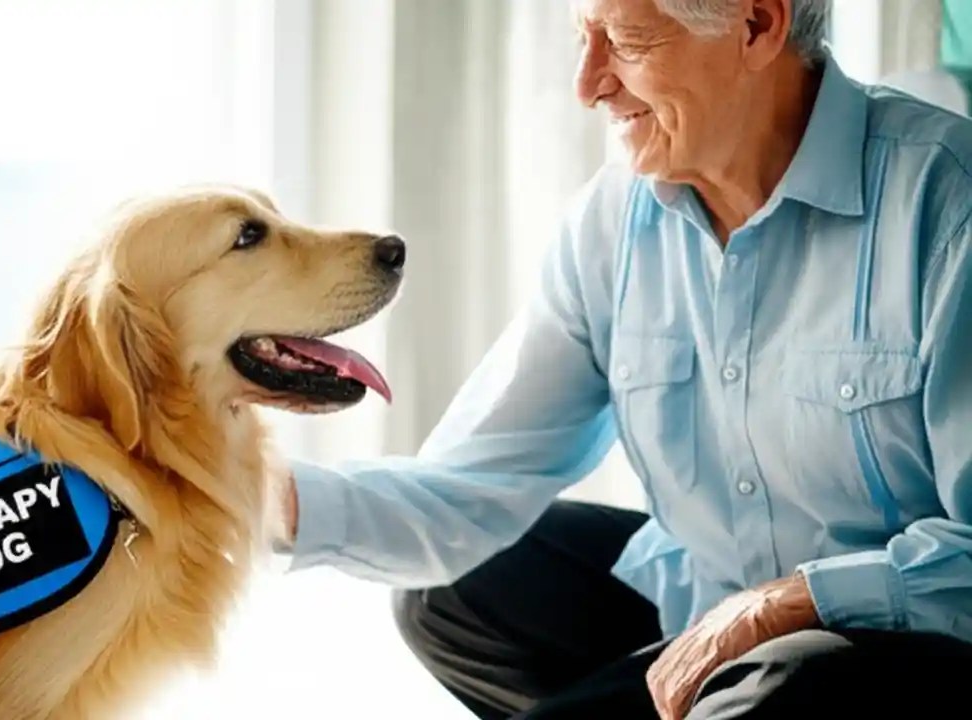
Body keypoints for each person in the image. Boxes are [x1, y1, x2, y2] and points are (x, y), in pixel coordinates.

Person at [276, 0, 972, 718]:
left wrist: (796, 601)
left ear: (757, 26)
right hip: (711, 618)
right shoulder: (615, 220)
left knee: (789, 681)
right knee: (445, 590)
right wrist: (245, 499)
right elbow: (471, 482)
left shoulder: (949, 204)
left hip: (907, 645)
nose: (588, 84)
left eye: (628, 42)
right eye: (584, 39)